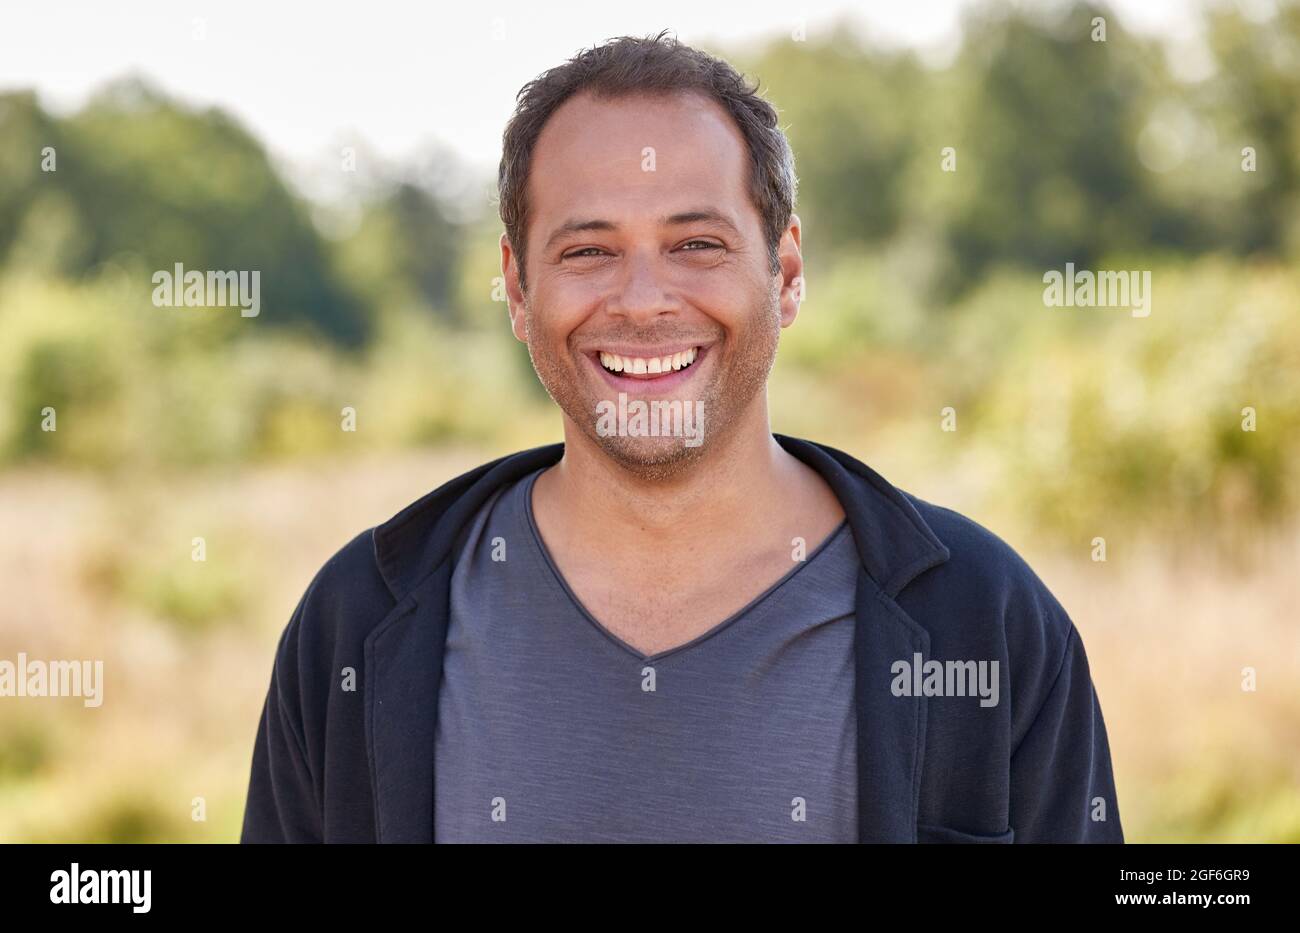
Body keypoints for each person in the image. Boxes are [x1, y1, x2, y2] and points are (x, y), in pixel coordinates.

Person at [241, 30, 1121, 843]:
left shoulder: (986, 619)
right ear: (516, 286)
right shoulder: (356, 625)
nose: (643, 301)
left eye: (697, 243)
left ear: (784, 273)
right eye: (588, 251)